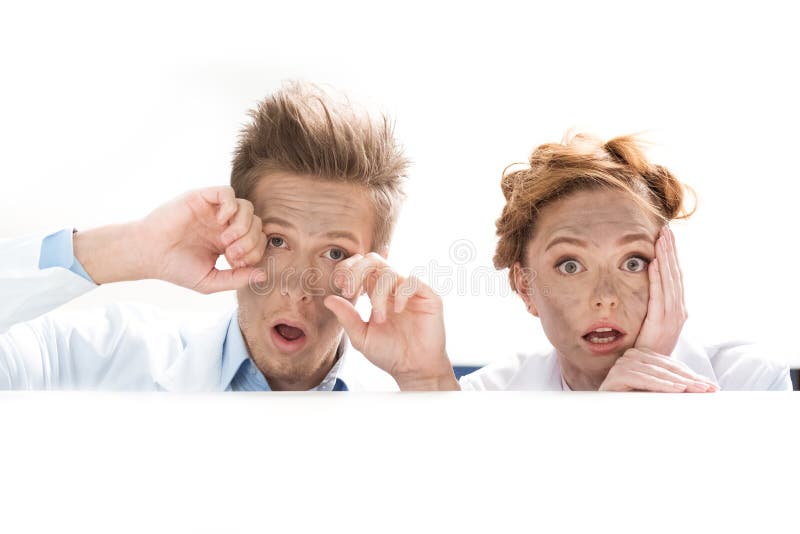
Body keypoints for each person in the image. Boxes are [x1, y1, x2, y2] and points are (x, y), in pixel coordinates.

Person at [0, 81, 456, 392]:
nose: (295, 287)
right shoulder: (112, 356)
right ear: (233, 234)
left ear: (374, 269)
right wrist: (129, 249)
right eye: (277, 241)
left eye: (335, 253)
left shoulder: (415, 400)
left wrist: (429, 384)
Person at [459, 132, 791, 391]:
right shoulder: (485, 396)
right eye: (570, 265)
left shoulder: (752, 382)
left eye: (633, 262)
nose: (606, 296)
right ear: (526, 286)